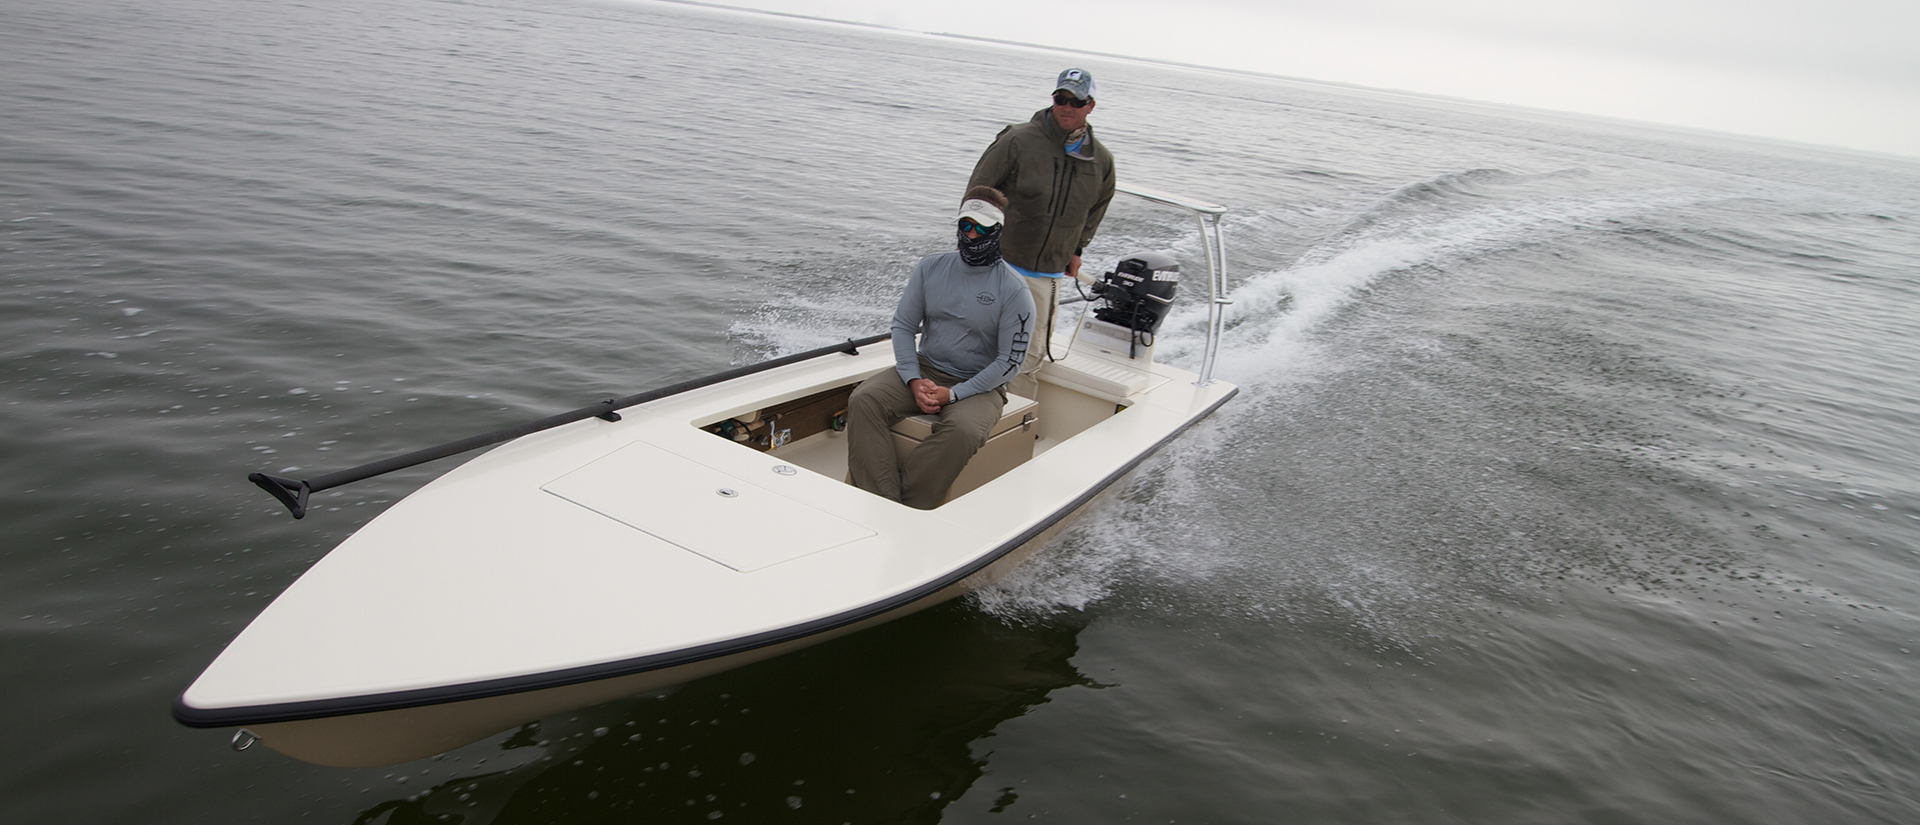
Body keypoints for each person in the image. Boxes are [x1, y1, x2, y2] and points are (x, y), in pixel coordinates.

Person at [846, 187, 1036, 510]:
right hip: (926, 369)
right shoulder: (930, 268)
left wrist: (956, 394)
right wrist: (912, 378)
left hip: (981, 384)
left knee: (963, 431)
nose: (972, 234)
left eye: (981, 228)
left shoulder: (1015, 290)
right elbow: (904, 327)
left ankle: (909, 507)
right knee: (863, 400)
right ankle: (883, 504)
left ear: (997, 232)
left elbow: (1009, 363)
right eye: (965, 226)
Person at [967, 67, 1117, 398]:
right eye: (1060, 98)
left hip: (1046, 275)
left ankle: (1013, 421)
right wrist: (975, 247)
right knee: (975, 342)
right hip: (997, 265)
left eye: (1076, 101)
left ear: (1090, 105)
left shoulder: (1101, 161)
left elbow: (1096, 209)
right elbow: (977, 194)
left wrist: (1077, 250)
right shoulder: (1017, 140)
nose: (1067, 106)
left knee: (1028, 353)